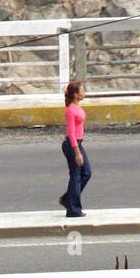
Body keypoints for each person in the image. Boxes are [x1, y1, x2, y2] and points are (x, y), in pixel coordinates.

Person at [60, 79, 91, 218]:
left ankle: (69, 199)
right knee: (76, 176)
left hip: (78, 143)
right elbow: (71, 133)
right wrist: (77, 152)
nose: (84, 92)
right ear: (75, 95)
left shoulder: (77, 107)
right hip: (72, 145)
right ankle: (73, 209)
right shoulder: (71, 110)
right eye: (82, 90)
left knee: (86, 173)